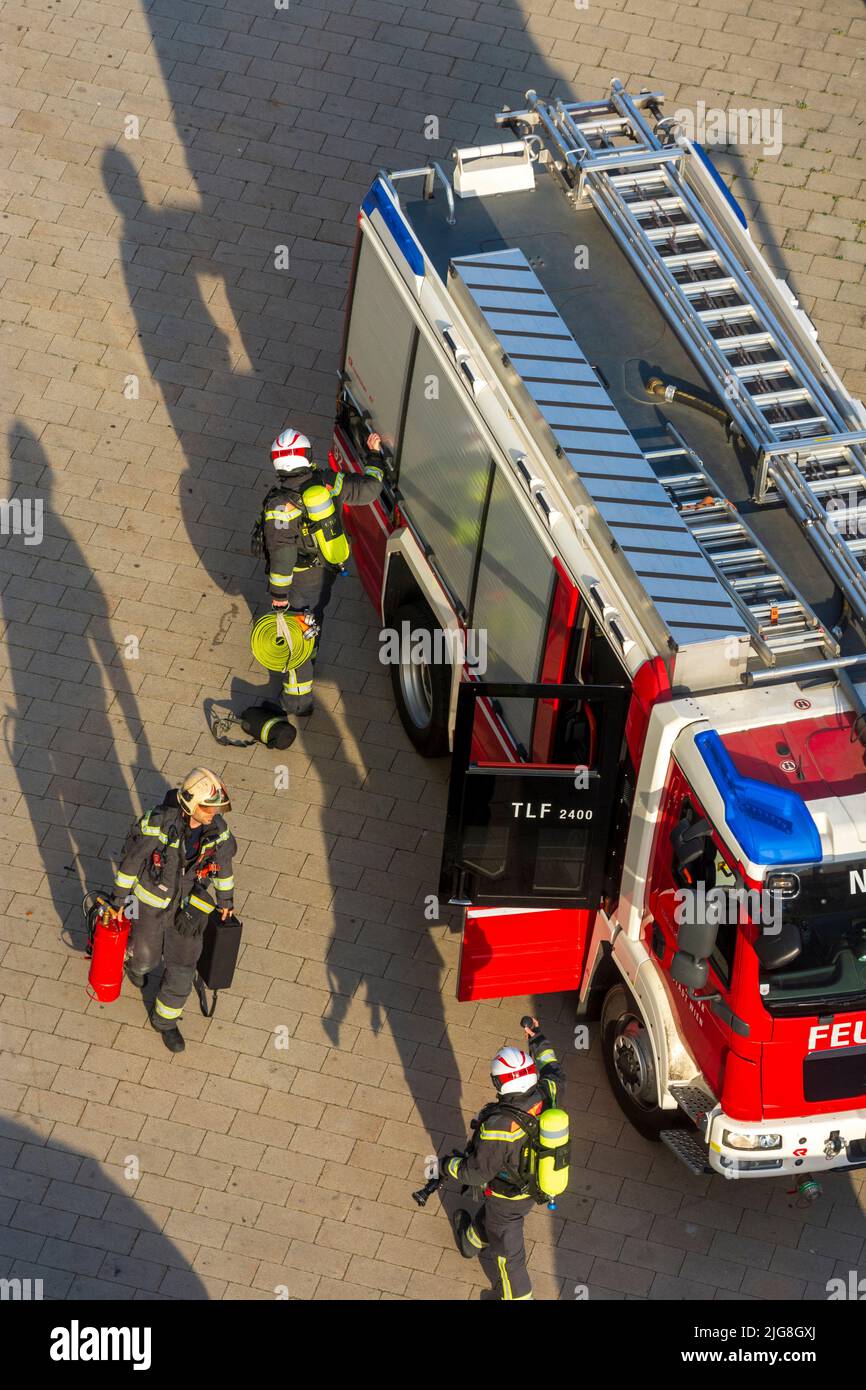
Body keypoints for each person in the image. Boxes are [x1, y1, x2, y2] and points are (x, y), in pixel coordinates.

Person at [258, 426, 386, 717]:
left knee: (296, 635)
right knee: (314, 616)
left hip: (300, 579)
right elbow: (369, 489)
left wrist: (278, 594)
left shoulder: (281, 505)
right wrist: (375, 457)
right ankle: (311, 647)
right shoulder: (327, 481)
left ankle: (297, 701)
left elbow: (283, 554)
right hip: (326, 572)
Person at [111, 769, 236, 1053]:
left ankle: (165, 1021)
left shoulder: (218, 831)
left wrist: (226, 901)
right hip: (151, 904)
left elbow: (225, 868)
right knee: (145, 958)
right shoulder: (159, 823)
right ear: (191, 802)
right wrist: (119, 900)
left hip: (190, 907)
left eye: (216, 808)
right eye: (208, 807)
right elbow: (132, 862)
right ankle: (134, 967)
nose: (212, 814)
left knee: (183, 967)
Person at [441, 1017, 565, 1301]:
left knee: (509, 1257)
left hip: (507, 1196)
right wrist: (537, 1037)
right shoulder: (549, 1092)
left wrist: (449, 1166)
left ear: (500, 1082)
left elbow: (477, 1173)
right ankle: (471, 1241)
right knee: (495, 1222)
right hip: (539, 1184)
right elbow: (553, 1068)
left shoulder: (499, 1125)